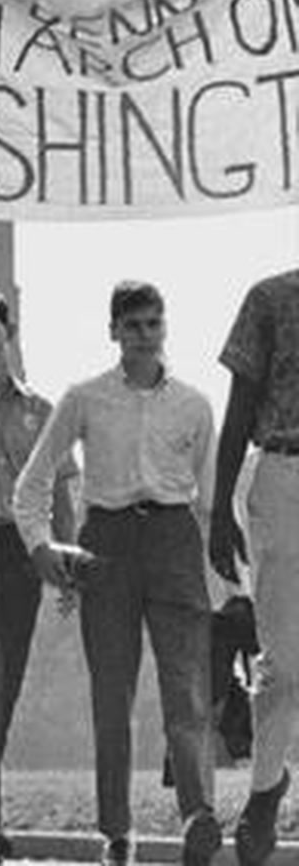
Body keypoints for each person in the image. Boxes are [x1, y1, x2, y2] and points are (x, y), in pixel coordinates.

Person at [15, 280, 220, 866]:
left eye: (153, 324)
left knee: (185, 687)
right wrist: (39, 546)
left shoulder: (194, 404)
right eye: (132, 326)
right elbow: (32, 483)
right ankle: (117, 832)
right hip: (106, 540)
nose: (144, 336)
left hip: (174, 536)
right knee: (113, 692)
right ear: (113, 331)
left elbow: (210, 502)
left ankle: (197, 814)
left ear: (165, 327)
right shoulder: (84, 398)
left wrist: (232, 581)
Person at [0, 286, 77, 865]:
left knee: (3, 689)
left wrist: (66, 563)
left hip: (21, 550)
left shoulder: (41, 410)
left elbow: (59, 494)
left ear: (8, 333)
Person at [211, 267, 299, 866]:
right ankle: (266, 787)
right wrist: (219, 509)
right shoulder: (270, 298)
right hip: (285, 472)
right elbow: (240, 405)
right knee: (285, 654)